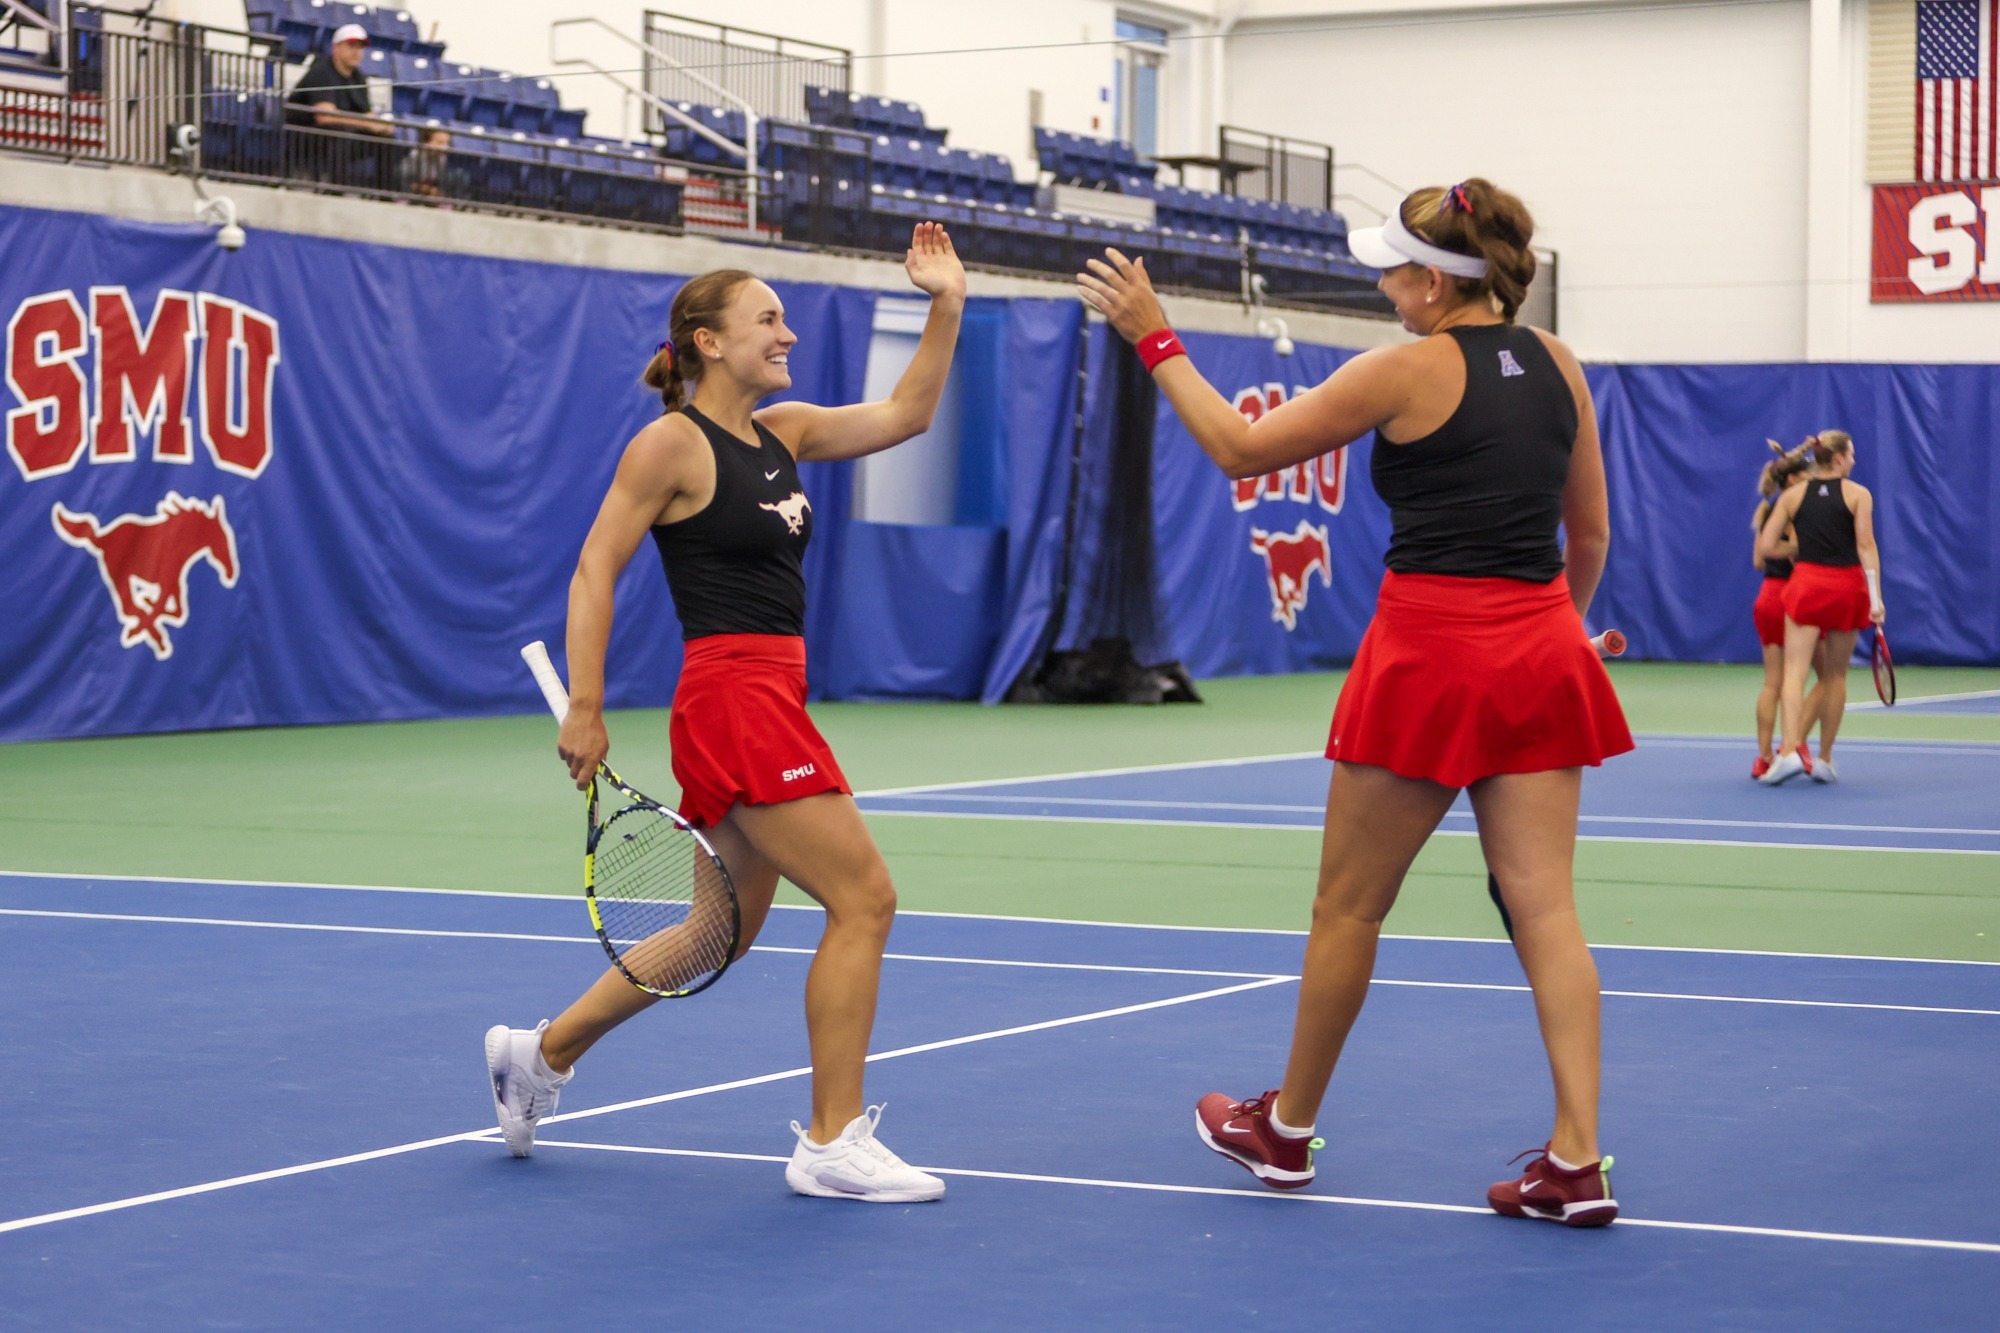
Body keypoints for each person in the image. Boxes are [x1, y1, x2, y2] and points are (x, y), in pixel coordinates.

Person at [1078, 178, 1633, 1226]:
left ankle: (1282, 1133)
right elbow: (1589, 538)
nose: (1380, 282)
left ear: (1433, 281)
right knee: (1546, 911)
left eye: (1390, 268)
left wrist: (1156, 337)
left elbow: (1240, 450)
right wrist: (1558, 633)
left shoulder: (1401, 369)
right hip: (1538, 654)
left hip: (1425, 658)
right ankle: (1575, 1159)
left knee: (1346, 908)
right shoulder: (1557, 362)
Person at [484, 223, 965, 1203]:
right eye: (766, 319)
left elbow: (908, 416)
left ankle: (538, 1052)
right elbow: (594, 566)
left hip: (771, 692)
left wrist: (944, 303)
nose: (784, 334)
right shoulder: (669, 444)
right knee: (864, 900)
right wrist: (584, 702)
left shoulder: (783, 433)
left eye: (785, 319)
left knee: (719, 934)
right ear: (708, 341)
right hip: (731, 698)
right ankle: (829, 1140)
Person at [1757, 431, 1883, 785]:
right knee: (1835, 676)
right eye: (1852, 454)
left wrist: (1800, 551)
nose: (1854, 460)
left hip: (1807, 585)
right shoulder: (1859, 495)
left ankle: (1788, 754)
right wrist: (1876, 599)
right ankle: (1825, 759)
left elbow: (1766, 546)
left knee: (1794, 673)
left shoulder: (1793, 496)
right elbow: (1866, 546)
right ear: (1839, 458)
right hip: (1848, 587)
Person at [1749, 441, 1827, 779]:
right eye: (1807, 475)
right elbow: (1798, 553)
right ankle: (1792, 745)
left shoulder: (1767, 509)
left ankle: (1764, 757)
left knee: (1773, 683)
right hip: (1796, 598)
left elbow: (1758, 560)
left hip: (1767, 596)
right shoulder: (1797, 509)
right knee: (1828, 677)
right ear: (1794, 479)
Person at [285, 23, 395, 185]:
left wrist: (380, 125)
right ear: (335, 47)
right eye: (351, 45)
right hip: (305, 139)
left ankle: (385, 192)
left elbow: (367, 114)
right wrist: (366, 122)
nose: (356, 52)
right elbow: (325, 117)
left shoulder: (359, 78)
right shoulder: (321, 71)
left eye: (360, 47)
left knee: (385, 137)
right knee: (340, 132)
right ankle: (336, 189)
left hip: (342, 138)